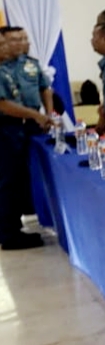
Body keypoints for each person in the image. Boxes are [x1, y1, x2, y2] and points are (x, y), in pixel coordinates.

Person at [0, 33, 47, 250]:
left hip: (20, 126)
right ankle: (9, 234)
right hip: (6, 127)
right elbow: (3, 105)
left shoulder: (22, 65)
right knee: (9, 181)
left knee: (18, 179)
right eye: (4, 43)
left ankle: (13, 227)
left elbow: (43, 88)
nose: (8, 46)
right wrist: (35, 115)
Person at [0, 27, 53, 117]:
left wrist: (48, 114)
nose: (20, 43)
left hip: (34, 118)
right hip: (8, 120)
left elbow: (44, 88)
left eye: (21, 39)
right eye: (14, 40)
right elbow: (3, 103)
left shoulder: (31, 63)